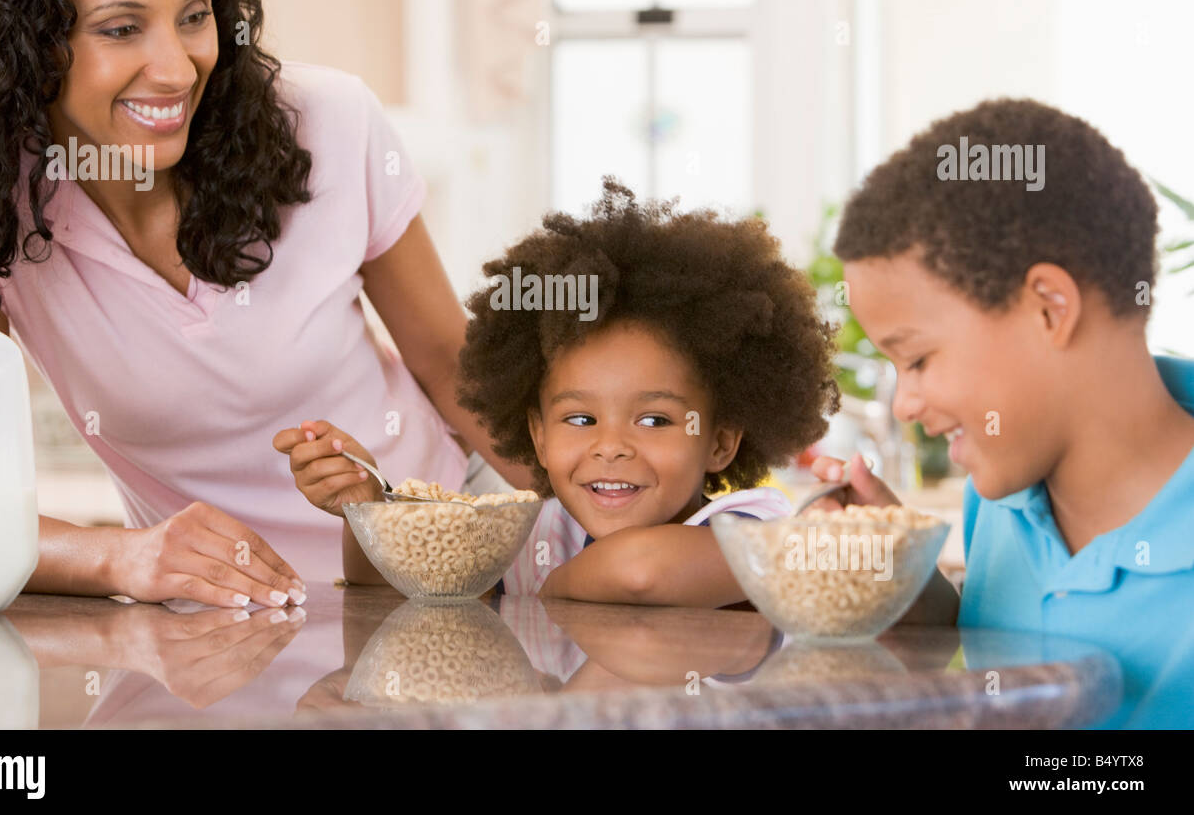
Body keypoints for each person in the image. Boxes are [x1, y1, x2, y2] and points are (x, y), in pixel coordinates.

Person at [0, 0, 528, 609]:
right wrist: (120, 559)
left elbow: (453, 368)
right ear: (27, 45)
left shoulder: (330, 124)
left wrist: (573, 541)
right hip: (222, 623)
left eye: (194, 16)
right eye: (121, 29)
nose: (176, 67)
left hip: (449, 570)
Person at [819, 97, 1194, 728]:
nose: (906, 403)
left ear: (1049, 307)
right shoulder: (999, 498)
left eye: (915, 359)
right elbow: (1000, 639)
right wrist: (909, 581)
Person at [298, 178, 840, 607]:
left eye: (654, 420)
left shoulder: (751, 527)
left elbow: (639, 572)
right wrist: (365, 513)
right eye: (580, 420)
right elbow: (407, 588)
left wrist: (545, 595)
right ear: (536, 433)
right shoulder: (542, 533)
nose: (611, 446)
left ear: (720, 442)